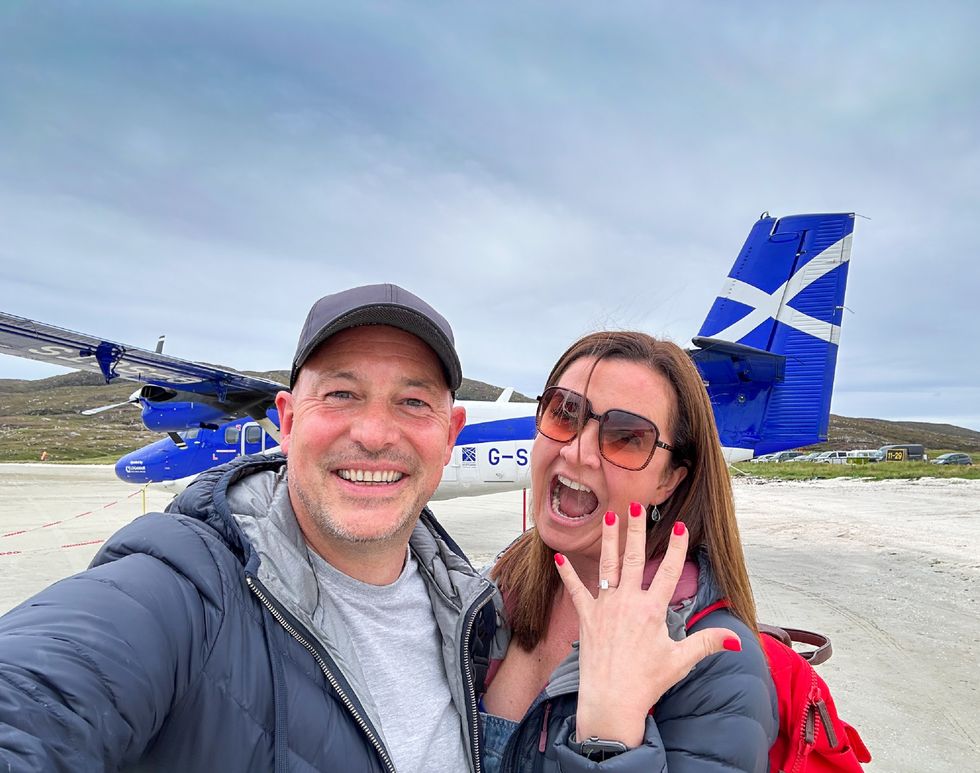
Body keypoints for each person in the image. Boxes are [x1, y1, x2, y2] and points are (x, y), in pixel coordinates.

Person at [0, 284, 502, 772]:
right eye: (341, 393)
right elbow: (39, 692)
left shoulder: (480, 612)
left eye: (413, 402)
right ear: (284, 421)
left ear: (451, 434)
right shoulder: (184, 589)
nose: (373, 434)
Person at [482, 331, 778, 771]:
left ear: (669, 480)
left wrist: (608, 741)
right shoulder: (491, 592)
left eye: (627, 437)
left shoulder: (717, 667)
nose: (577, 451)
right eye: (564, 413)